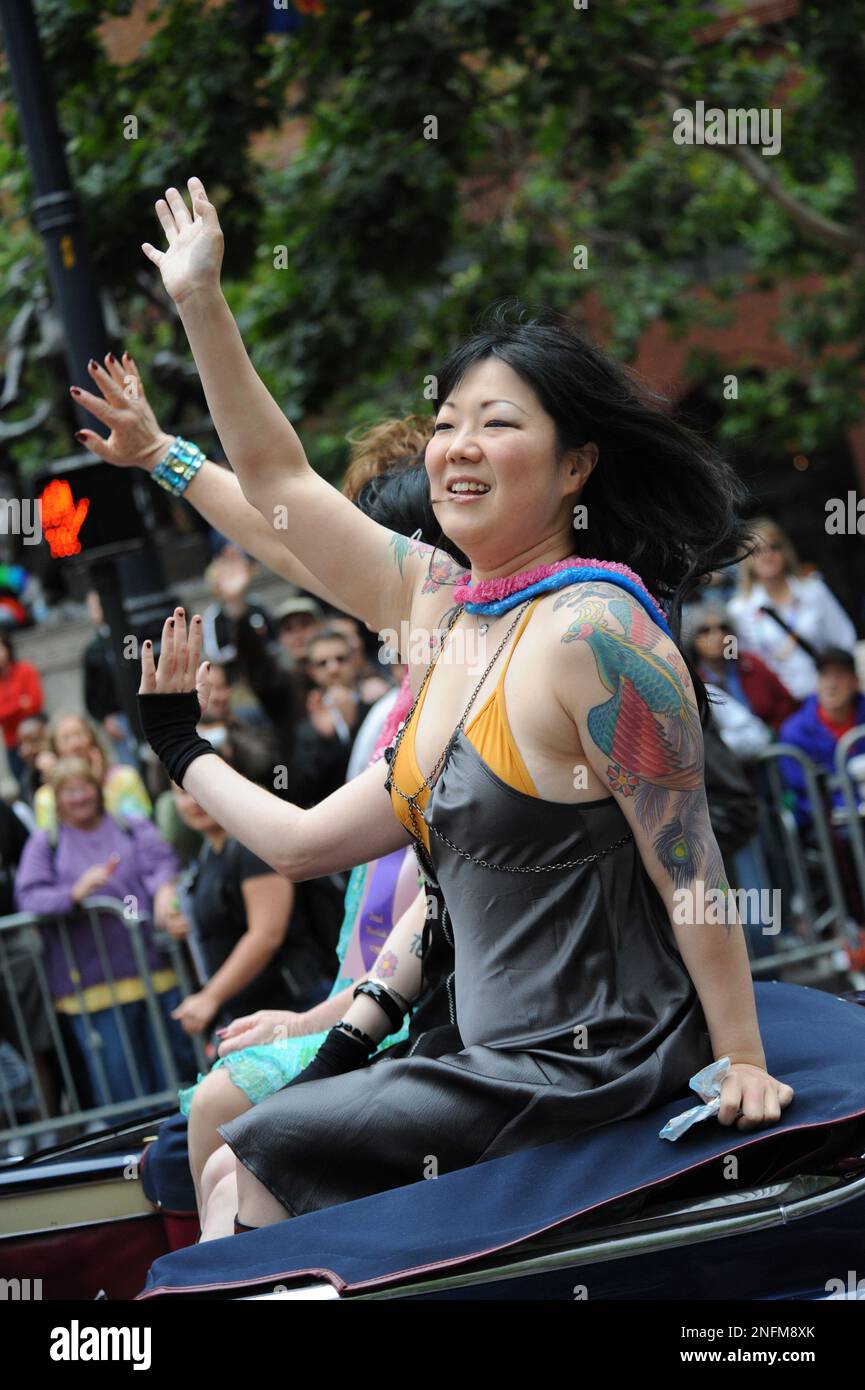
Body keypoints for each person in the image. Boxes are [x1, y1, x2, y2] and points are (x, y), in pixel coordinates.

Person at [121, 177, 794, 1238]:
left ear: (575, 463)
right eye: (445, 423)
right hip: (480, 1054)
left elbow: (692, 864)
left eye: (497, 423)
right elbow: (279, 482)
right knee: (231, 1170)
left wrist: (742, 1060)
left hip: (594, 1059)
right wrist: (201, 301)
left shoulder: (597, 632)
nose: (458, 445)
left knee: (249, 1152)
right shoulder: (439, 602)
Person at [14, 757, 195, 1105]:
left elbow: (163, 863)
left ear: (97, 790)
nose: (79, 797)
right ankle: (132, 1158)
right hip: (93, 989)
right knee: (122, 1089)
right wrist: (72, 894)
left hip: (153, 973)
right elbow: (29, 897)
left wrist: (163, 891)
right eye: (69, 791)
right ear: (57, 798)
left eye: (84, 788)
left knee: (176, 1079)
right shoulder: (46, 843)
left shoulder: (131, 826)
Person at [728, 518, 857, 700]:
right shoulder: (739, 610)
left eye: (774, 547)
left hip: (827, 699)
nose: (768, 555)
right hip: (780, 707)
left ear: (785, 552)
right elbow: (745, 665)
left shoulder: (813, 590)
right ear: (746, 560)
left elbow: (845, 639)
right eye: (757, 551)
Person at [777, 648, 865, 828]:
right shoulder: (795, 731)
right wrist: (847, 808)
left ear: (856, 682)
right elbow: (803, 792)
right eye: (824, 675)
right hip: (832, 825)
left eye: (839, 675)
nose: (831, 684)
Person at [683, 601, 798, 732]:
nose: (717, 635)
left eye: (723, 628)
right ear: (692, 639)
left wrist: (775, 731)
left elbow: (785, 701)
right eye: (705, 630)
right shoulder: (691, 681)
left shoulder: (751, 664)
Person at [33, 712, 152, 832]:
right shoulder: (46, 797)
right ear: (55, 750)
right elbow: (55, 840)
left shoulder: (124, 778)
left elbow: (140, 825)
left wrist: (96, 784)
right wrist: (58, 787)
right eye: (66, 738)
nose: (75, 744)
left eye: (79, 734)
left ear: (92, 739)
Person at [82, 589, 141, 770]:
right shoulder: (93, 650)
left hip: (139, 707)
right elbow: (91, 693)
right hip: (117, 718)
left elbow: (134, 667)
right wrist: (104, 718)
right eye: (93, 608)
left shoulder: (128, 637)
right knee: (129, 765)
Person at [0, 633, 44, 782]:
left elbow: (35, 704)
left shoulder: (25, 670)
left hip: (36, 739)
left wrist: (7, 710)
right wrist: (20, 704)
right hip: (12, 744)